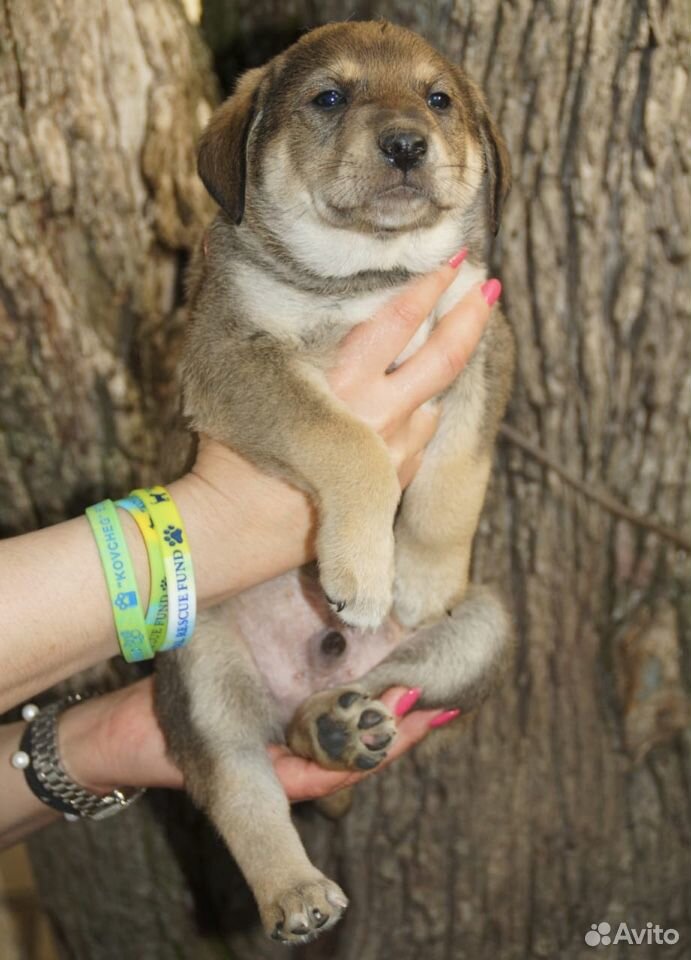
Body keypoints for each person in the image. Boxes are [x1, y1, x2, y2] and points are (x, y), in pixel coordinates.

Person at [1, 260, 498, 848]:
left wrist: (94, 745)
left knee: (481, 635)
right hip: (260, 601)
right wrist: (209, 529)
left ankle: (332, 713)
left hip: (363, 615)